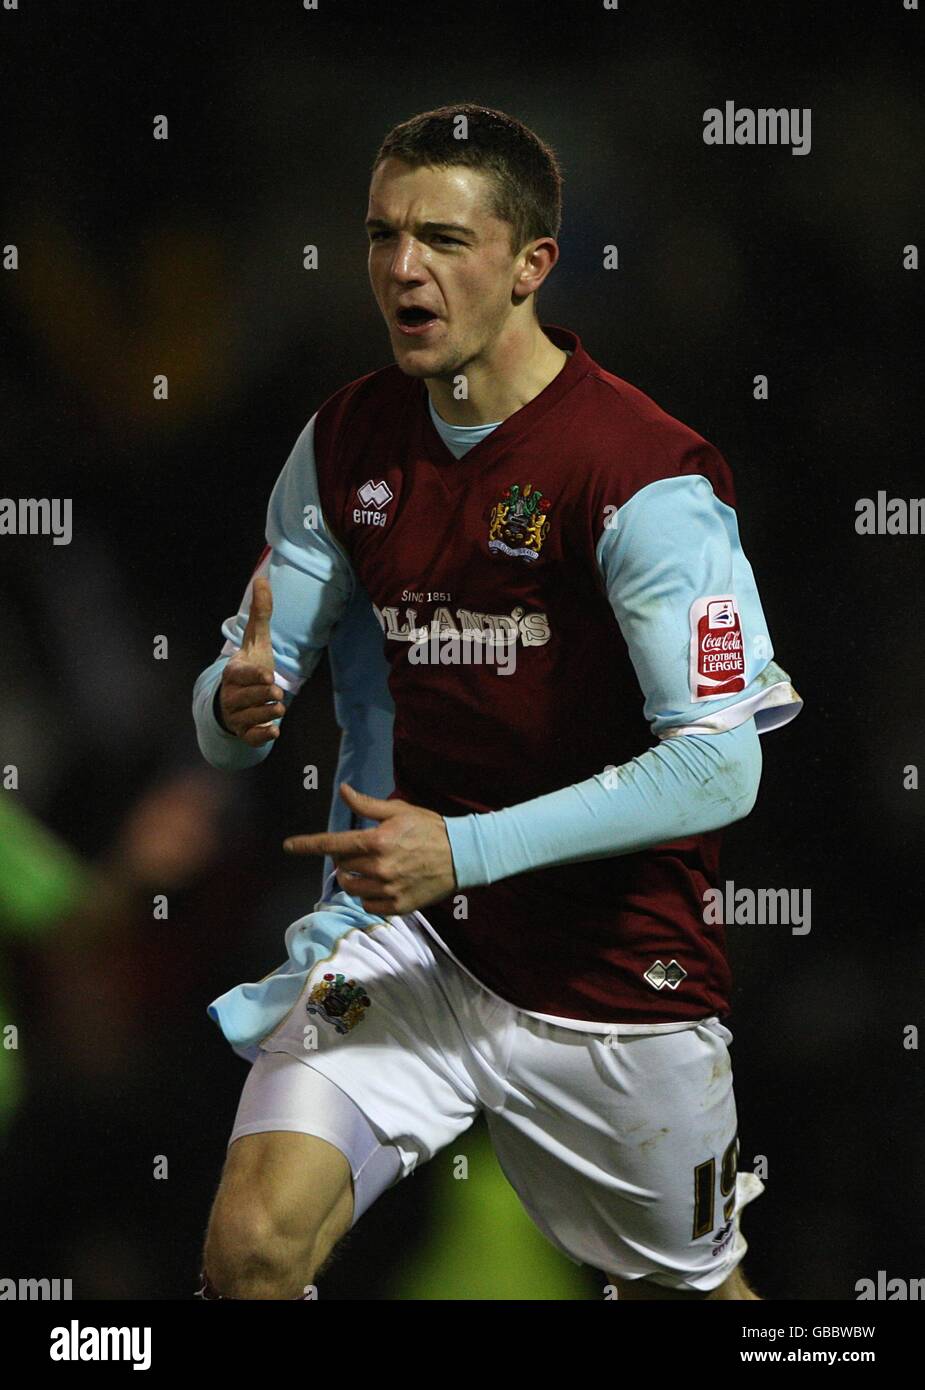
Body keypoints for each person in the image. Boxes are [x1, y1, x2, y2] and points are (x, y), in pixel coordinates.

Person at [192, 103, 802, 1302]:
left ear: (531, 265)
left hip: (610, 973)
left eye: (442, 239)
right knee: (252, 1246)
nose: (401, 268)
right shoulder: (347, 439)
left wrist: (461, 851)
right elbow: (228, 711)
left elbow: (721, 766)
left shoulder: (642, 474)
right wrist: (233, 702)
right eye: (382, 234)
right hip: (409, 942)